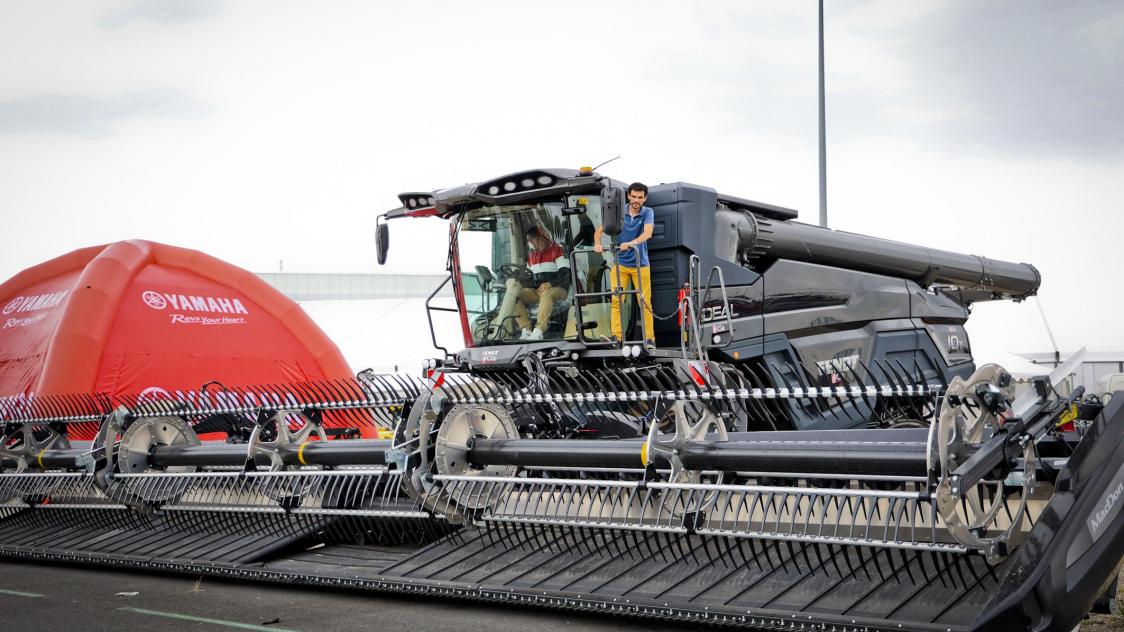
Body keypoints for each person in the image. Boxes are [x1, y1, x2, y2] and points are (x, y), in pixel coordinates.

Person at [594, 182, 654, 342]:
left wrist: (632, 243)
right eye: (633, 196)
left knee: (645, 302)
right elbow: (599, 230)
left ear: (645, 198)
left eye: (640, 197)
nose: (636, 200)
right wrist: (598, 244)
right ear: (628, 196)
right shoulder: (619, 211)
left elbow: (648, 233)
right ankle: (616, 337)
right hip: (620, 264)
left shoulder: (648, 212)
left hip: (641, 265)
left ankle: (650, 339)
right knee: (617, 300)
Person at [494, 225, 570, 341]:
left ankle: (539, 331)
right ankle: (527, 330)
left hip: (559, 289)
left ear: (544, 237)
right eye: (533, 241)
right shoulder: (531, 257)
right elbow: (530, 278)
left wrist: (549, 283)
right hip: (537, 291)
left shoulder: (557, 251)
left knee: (547, 293)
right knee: (514, 296)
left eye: (538, 240)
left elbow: (565, 274)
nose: (537, 244)